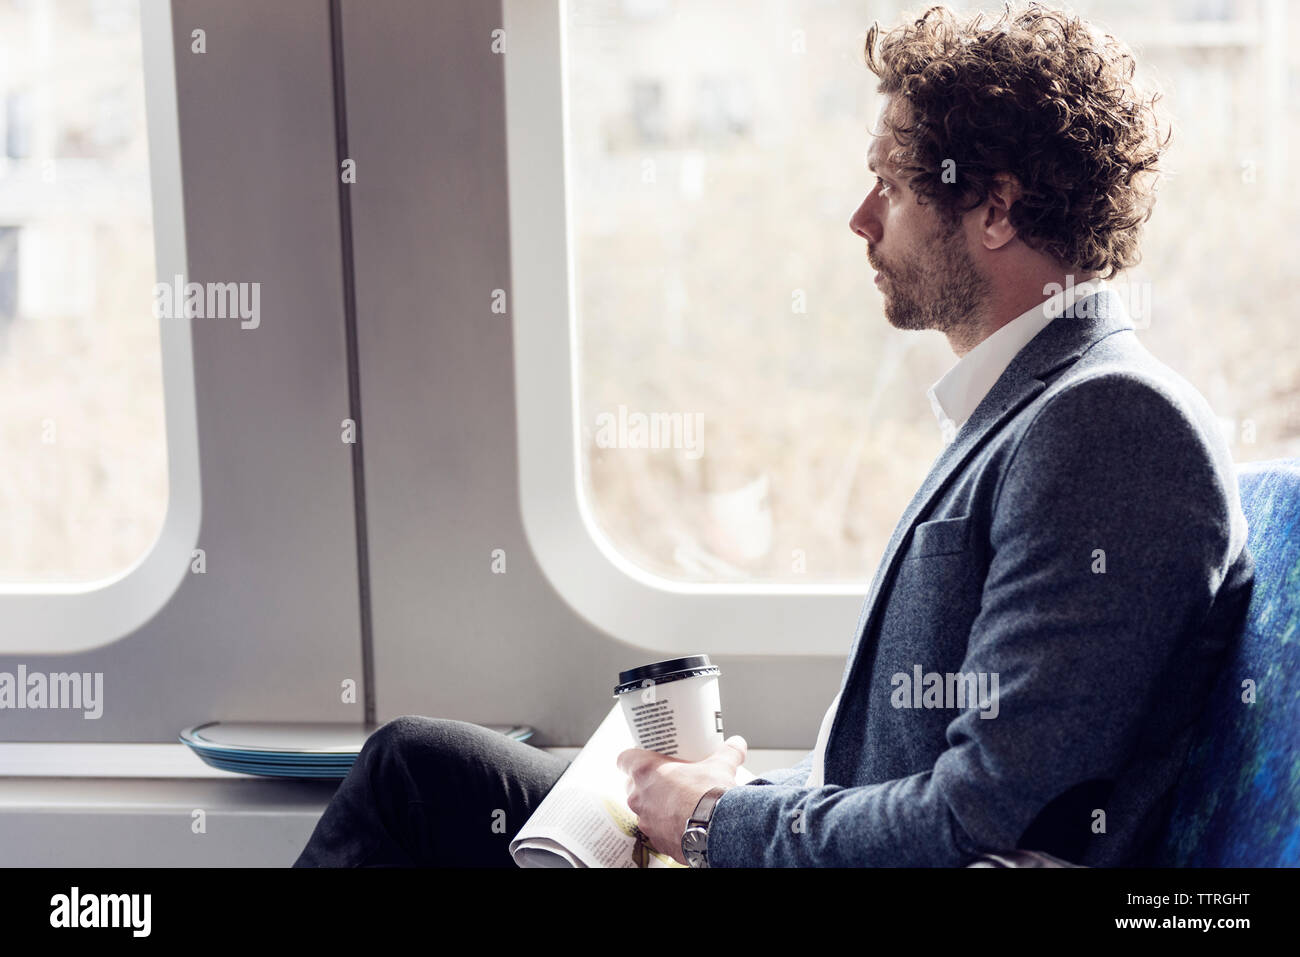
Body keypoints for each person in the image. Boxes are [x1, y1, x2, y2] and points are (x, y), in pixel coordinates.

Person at [294, 2, 1255, 868]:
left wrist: (711, 819)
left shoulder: (1113, 425)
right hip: (804, 824)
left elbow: (981, 822)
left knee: (411, 782)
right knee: (423, 766)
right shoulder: (1032, 406)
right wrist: (728, 793)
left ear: (995, 209)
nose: (860, 218)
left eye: (892, 184)